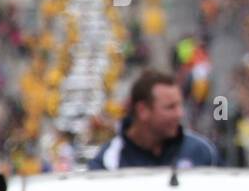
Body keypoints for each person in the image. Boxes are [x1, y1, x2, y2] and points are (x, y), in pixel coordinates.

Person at [88, 70, 220, 170]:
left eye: (180, 105)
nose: (180, 114)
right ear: (142, 110)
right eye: (170, 107)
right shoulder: (108, 161)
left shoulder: (203, 152)